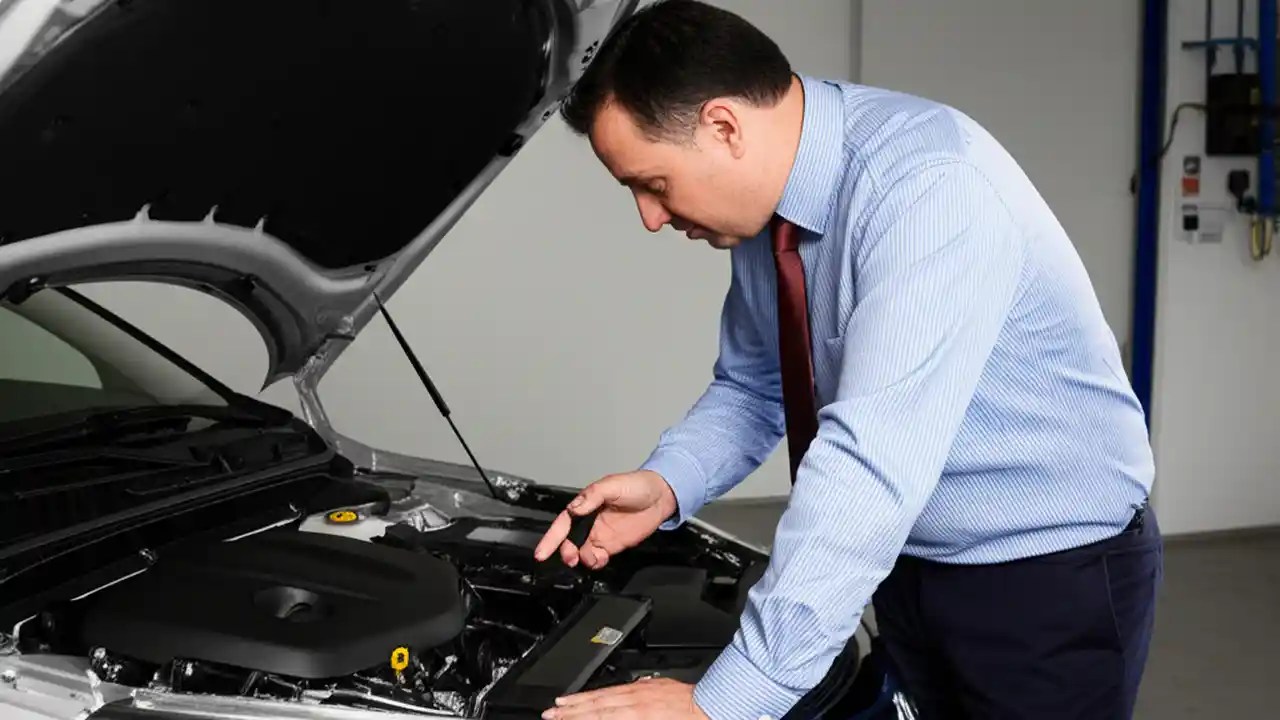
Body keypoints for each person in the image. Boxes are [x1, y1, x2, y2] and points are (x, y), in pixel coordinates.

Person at [532, 1, 1163, 718]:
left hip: (1045, 578)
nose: (650, 218)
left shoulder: (928, 188)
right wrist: (668, 482)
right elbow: (755, 387)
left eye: (652, 184)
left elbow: (871, 464)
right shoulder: (769, 211)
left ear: (724, 126)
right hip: (911, 562)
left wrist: (725, 703)